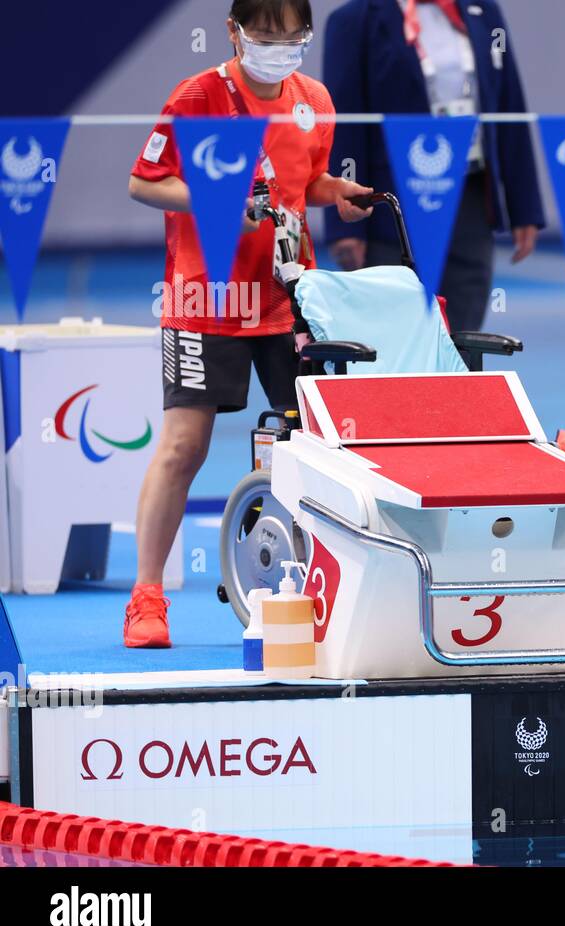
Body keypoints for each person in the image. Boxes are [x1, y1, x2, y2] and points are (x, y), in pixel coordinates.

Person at [123, 0, 374, 648]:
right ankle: (147, 598)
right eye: (267, 36)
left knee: (317, 445)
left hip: (291, 300)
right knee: (184, 448)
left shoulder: (314, 98)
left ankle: (323, 589)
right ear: (235, 32)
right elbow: (144, 183)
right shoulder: (198, 95)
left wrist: (332, 193)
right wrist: (213, 199)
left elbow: (301, 179)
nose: (283, 48)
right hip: (205, 301)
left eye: (295, 37)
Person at [321, 0, 544, 333]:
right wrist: (346, 225)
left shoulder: (483, 11)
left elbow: (508, 103)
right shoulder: (354, 20)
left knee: (463, 332)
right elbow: (346, 122)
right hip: (391, 204)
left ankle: (457, 385)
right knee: (394, 336)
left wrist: (523, 206)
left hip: (469, 196)